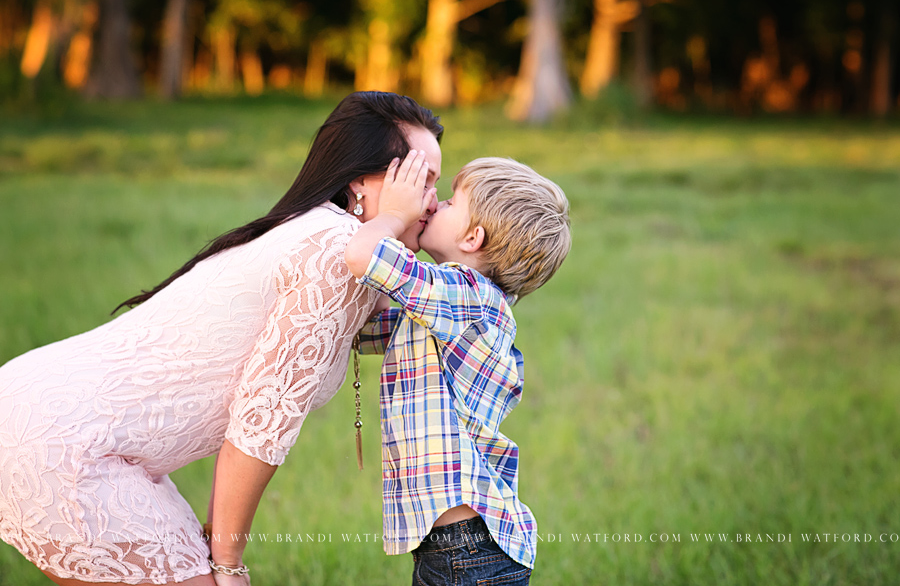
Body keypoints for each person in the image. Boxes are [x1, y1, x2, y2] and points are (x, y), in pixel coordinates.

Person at [0, 91, 443, 586]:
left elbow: (424, 314)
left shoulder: (324, 236)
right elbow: (259, 424)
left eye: (437, 185)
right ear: (361, 179)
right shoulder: (331, 257)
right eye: (419, 179)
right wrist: (228, 563)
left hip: (57, 420)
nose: (431, 199)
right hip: (67, 442)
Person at [345, 154, 571, 585]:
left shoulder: (467, 297)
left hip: (467, 549)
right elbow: (364, 330)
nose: (435, 204)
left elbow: (363, 255)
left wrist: (392, 215)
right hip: (462, 548)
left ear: (472, 237)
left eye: (450, 202)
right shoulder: (450, 309)